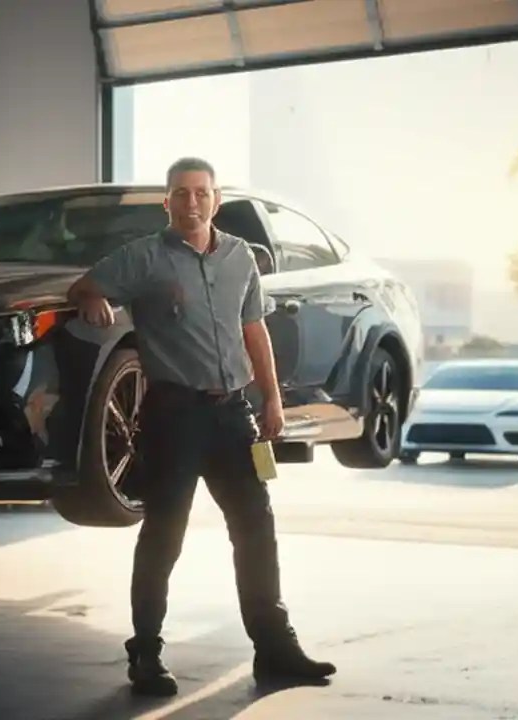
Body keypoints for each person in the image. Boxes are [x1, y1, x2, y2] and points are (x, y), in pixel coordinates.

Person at [66, 157, 337, 696]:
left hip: (233, 414)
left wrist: (272, 400)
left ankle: (275, 647)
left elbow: (254, 329)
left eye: (202, 193)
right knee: (164, 535)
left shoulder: (240, 257)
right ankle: (145, 653)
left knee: (255, 527)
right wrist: (93, 297)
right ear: (167, 202)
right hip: (174, 417)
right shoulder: (142, 258)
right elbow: (83, 287)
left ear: (216, 200)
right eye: (181, 194)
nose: (192, 203)